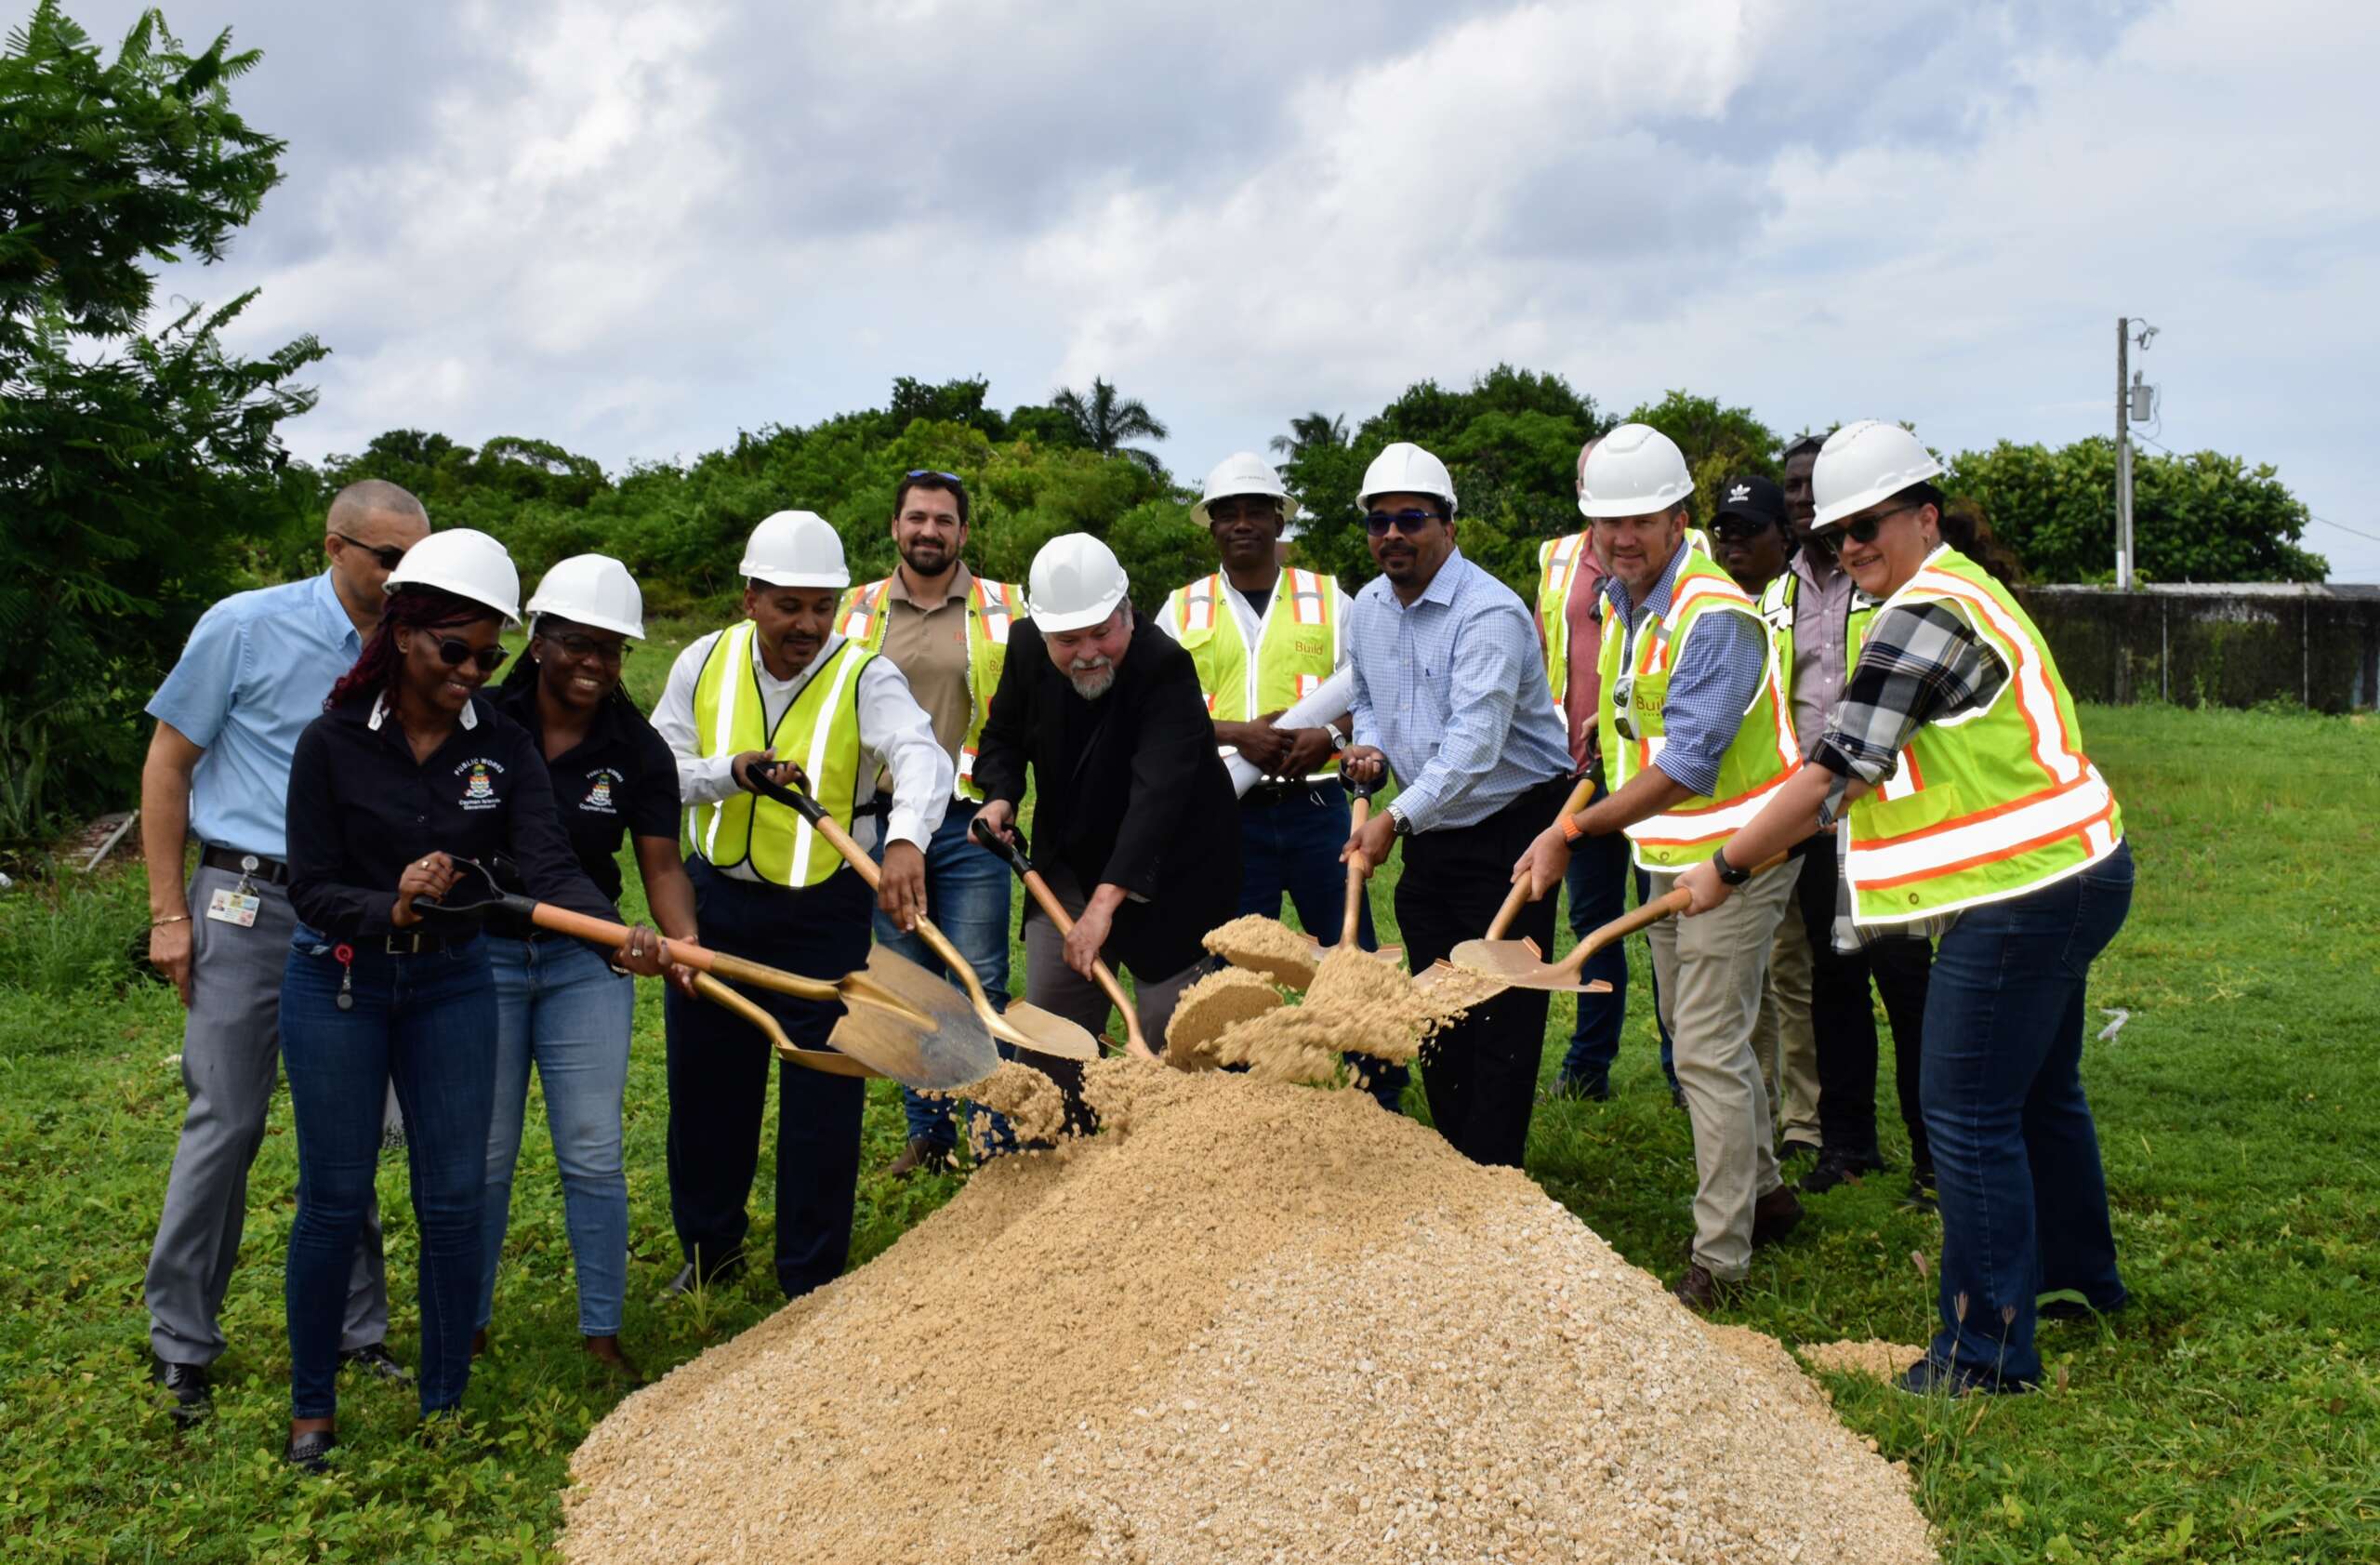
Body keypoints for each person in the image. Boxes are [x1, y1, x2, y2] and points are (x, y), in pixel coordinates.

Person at [1677, 420, 2132, 1395]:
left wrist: (1724, 863)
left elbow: (1831, 773)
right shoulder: (1947, 591)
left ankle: (1984, 1357)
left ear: (1925, 516)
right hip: (2071, 868)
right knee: (2041, 1095)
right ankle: (2079, 1284)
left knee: (1964, 1115)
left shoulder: (1923, 615)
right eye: (1834, 534)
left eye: (1869, 524)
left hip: (2027, 891)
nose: (1848, 547)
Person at [278, 530, 654, 1470]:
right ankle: (312, 1412)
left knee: (450, 1200)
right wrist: (389, 903)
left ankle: (443, 1402)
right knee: (333, 1199)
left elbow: (548, 864)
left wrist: (619, 931)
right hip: (340, 980)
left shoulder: (504, 744)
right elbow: (312, 888)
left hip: (450, 983)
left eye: (488, 655)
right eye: (456, 651)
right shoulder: (330, 743)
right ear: (403, 633)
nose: (473, 672)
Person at [138, 480, 430, 1426]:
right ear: (336, 546)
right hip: (246, 898)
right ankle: (181, 1342)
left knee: (341, 1127)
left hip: (350, 908)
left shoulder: (413, 650)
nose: (401, 578)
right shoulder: (245, 627)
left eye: (414, 562)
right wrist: (168, 912)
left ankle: (357, 1333)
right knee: (226, 1117)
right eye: (388, 560)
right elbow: (168, 763)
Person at [1510, 425, 1805, 1310]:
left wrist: (1578, 831)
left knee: (1707, 1046)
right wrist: (1571, 814)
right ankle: (1766, 1191)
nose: (1621, 538)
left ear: (1681, 518)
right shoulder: (1628, 603)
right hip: (1672, 852)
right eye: (1605, 523)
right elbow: (1622, 739)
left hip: (1743, 849)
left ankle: (1720, 1255)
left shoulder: (1713, 615)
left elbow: (1689, 766)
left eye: (1640, 520)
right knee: (1692, 1026)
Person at [653, 511, 949, 1299]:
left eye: (822, 605)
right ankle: (709, 1252)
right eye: (789, 604)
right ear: (750, 597)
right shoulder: (701, 660)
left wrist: (907, 838)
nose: (808, 624)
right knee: (709, 1089)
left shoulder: (863, 674)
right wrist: (728, 771)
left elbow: (921, 754)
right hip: (714, 903)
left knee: (824, 1096)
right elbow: (659, 772)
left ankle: (810, 1276)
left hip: (823, 912)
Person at [473, 555, 699, 1385]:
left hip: (586, 961)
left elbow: (662, 865)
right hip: (482, 953)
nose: (595, 664)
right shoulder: (481, 721)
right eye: (577, 645)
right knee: (486, 1151)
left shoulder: (636, 749)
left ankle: (602, 1333)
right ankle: (467, 1325)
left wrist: (681, 953)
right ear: (537, 642)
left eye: (611, 649)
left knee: (594, 1148)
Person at [1339, 443, 1574, 1169]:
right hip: (1430, 828)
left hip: (1510, 831)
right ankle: (1455, 1159)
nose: (1393, 535)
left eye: (1412, 518)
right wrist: (1372, 749)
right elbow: (1367, 701)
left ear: (1448, 524)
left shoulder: (1490, 613)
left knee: (1502, 1012)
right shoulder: (1369, 609)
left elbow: (1474, 746)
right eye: (1379, 521)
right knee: (1434, 1003)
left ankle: (1495, 1176)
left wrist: (1392, 818)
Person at [1160, 453, 1397, 1108]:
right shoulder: (1181, 612)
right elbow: (1156, 715)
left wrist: (1333, 736)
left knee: (1348, 953)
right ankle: (1239, 1102)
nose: (1242, 523)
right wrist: (1241, 735)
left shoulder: (1332, 600)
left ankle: (1377, 1092)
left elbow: (1374, 689)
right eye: (1227, 513)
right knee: (1235, 964)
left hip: (1320, 803)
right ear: (1210, 526)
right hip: (1226, 812)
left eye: (1255, 511)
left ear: (1277, 519)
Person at [972, 534, 1241, 1052]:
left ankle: (1186, 1128)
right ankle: (1064, 1130)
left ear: (1128, 612)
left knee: (1177, 1030)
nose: (1088, 654)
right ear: (1044, 632)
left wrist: (1103, 907)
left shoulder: (1163, 666)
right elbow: (1003, 735)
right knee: (1055, 1028)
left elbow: (1157, 797)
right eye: (1068, 642)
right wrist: (1000, 794)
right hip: (1070, 861)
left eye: (1101, 633)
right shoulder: (1026, 647)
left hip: (1172, 870)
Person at [838, 470, 1026, 1174]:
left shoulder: (1004, 607)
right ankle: (931, 1135)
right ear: (894, 526)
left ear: (964, 532)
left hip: (971, 820)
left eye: (943, 520)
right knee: (908, 977)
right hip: (882, 825)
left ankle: (991, 1132)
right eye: (915, 518)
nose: (928, 531)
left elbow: (1022, 713)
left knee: (978, 975)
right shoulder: (853, 611)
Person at [1767, 434, 1935, 1200]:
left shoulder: (1896, 583)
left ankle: (1936, 1157)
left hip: (1889, 817)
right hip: (1814, 819)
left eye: (1817, 490)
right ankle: (1848, 1145)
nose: (1807, 504)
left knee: (1908, 988)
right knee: (1833, 984)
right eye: (1796, 491)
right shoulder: (1780, 592)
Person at [1537, 436, 1659, 1103]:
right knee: (1592, 920)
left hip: (1651, 770)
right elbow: (1539, 652)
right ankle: (1588, 1064)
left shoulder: (1680, 551)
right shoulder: (1557, 557)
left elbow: (1686, 663)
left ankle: (1679, 1071)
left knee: (1660, 921)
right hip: (1576, 769)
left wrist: (1624, 715)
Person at [1711, 472, 1822, 1162]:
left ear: (1784, 535)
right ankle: (1752, 1098)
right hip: (1724, 812)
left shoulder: (1799, 600)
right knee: (1738, 975)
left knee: (1790, 967)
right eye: (1725, 529)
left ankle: (1804, 1115)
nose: (1734, 543)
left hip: (1791, 809)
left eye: (1750, 530)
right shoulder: (1708, 603)